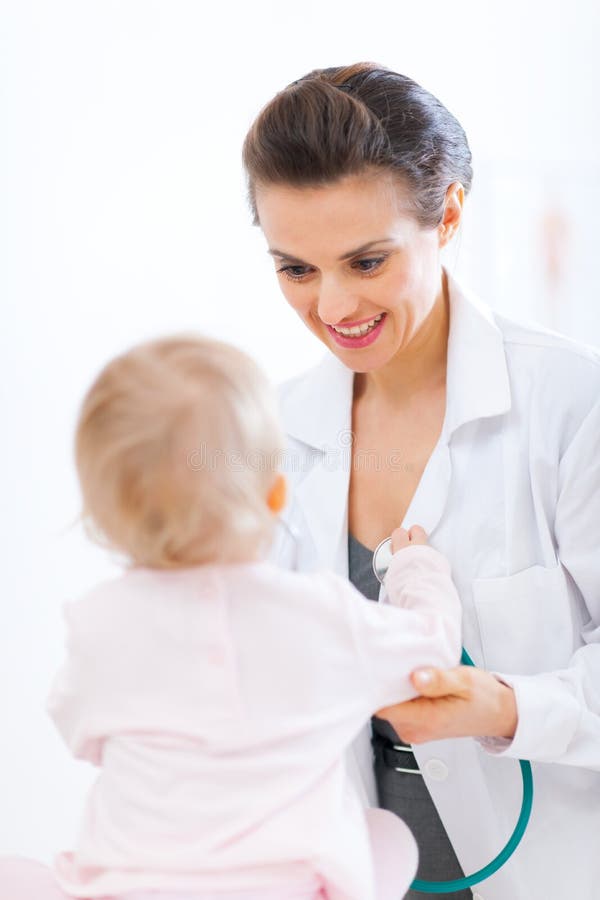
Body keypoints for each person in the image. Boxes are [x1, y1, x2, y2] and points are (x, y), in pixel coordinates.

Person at [241, 61, 600, 900]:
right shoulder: (273, 428)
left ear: (450, 214)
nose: (334, 308)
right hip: (347, 867)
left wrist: (506, 706)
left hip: (542, 869)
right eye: (296, 269)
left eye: (367, 262)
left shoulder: (571, 403)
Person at [0, 334, 464, 900]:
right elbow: (434, 646)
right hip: (286, 888)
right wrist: (415, 567)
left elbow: (79, 731)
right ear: (275, 496)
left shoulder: (98, 623)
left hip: (129, 889)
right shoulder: (318, 613)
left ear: (101, 515)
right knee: (387, 837)